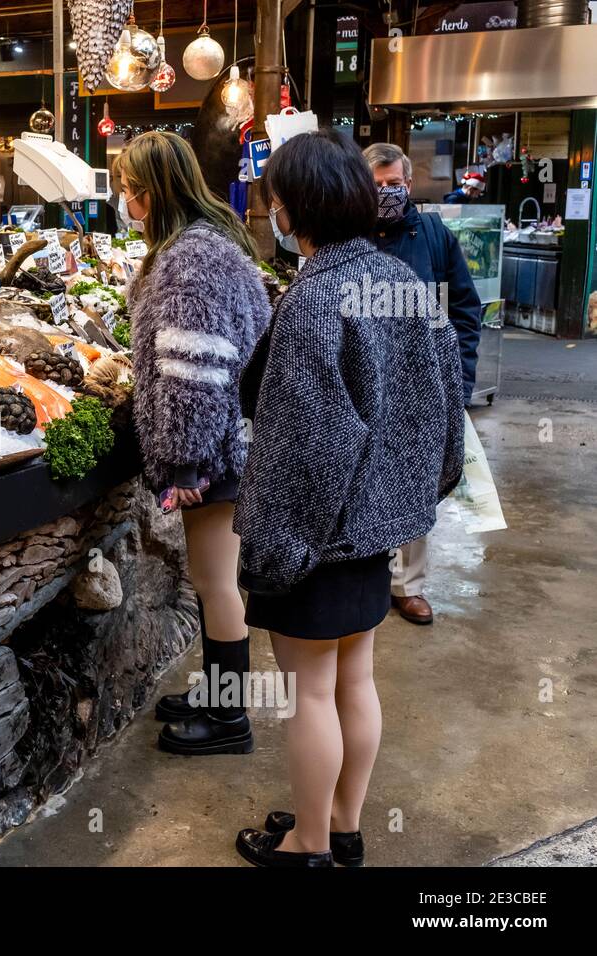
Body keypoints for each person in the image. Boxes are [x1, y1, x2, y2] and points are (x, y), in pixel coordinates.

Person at [232, 129, 464, 867]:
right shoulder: (400, 280)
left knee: (308, 692)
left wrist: (274, 549)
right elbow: (445, 400)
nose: (272, 212)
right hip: (374, 529)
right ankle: (341, 823)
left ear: (295, 208)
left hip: (318, 534)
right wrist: (428, 486)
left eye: (275, 200)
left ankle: (307, 845)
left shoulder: (315, 297)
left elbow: (308, 444)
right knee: (354, 680)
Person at [121, 131, 272, 756]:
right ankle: (218, 694)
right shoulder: (207, 244)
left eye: (129, 191)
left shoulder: (190, 259)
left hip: (217, 451)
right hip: (225, 442)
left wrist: (186, 461)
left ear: (153, 195)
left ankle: (230, 719)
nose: (124, 202)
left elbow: (196, 367)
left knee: (216, 581)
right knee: (217, 579)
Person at [366, 142, 482, 625]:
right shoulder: (350, 235)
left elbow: (465, 309)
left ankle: (407, 586)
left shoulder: (434, 236)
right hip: (368, 381)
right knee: (367, 481)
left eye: (395, 185)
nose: (388, 193)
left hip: (423, 387)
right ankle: (367, 575)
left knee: (417, 483)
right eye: (377, 187)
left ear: (409, 185)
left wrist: (462, 384)